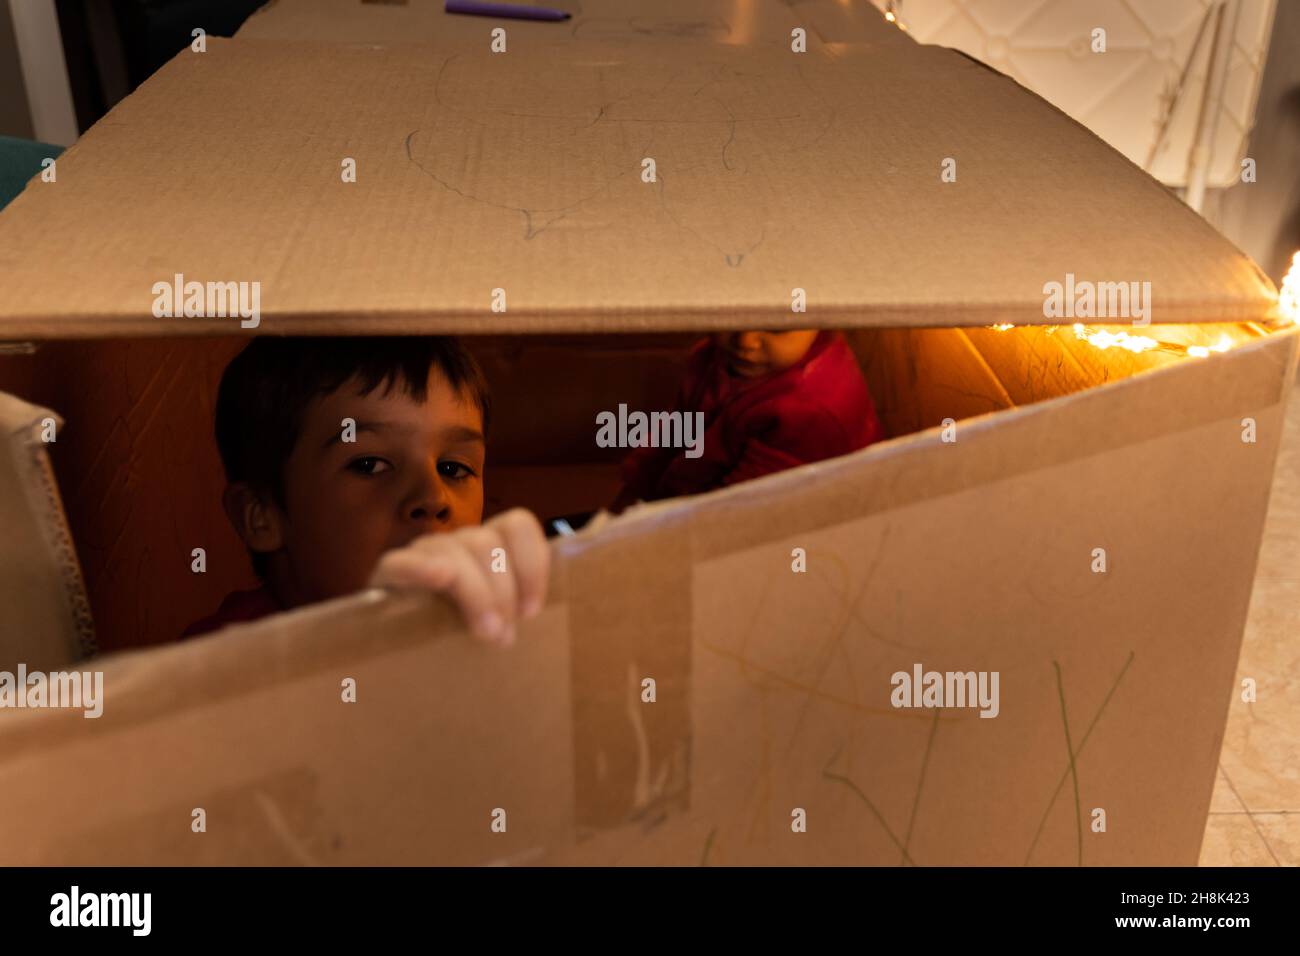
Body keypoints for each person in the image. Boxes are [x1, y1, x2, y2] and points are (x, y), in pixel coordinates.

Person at [183, 336, 547, 647]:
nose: (433, 497)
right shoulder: (213, 680)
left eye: (453, 469)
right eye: (369, 465)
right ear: (261, 514)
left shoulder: (496, 631)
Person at [614, 329, 883, 509]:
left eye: (777, 327)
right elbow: (674, 429)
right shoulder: (711, 357)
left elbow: (738, 515)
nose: (745, 341)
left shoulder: (812, 410)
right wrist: (633, 490)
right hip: (691, 505)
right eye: (733, 312)